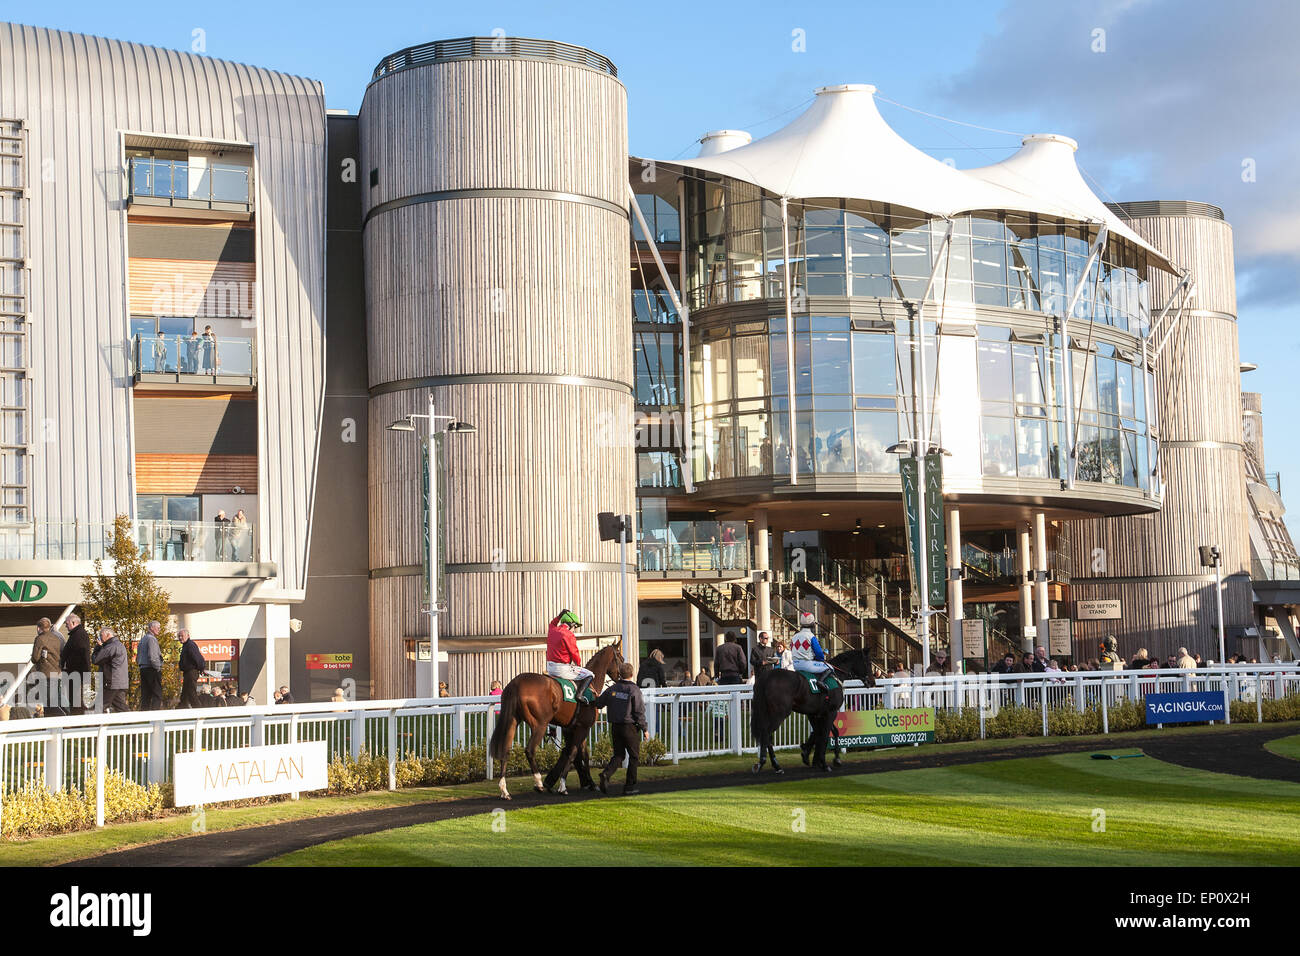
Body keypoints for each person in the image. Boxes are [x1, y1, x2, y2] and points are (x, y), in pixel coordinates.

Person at [594, 661, 648, 796]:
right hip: (629, 727)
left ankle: (606, 774)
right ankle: (630, 786)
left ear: (620, 674)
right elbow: (639, 712)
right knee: (634, 756)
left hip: (615, 726)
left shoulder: (612, 688)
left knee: (619, 755)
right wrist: (644, 729)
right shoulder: (634, 690)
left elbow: (599, 703)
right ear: (632, 674)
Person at [545, 609, 594, 701]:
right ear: (572, 624)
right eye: (575, 627)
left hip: (550, 668)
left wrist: (559, 616)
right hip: (562, 669)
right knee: (590, 674)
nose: (574, 630)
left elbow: (552, 623)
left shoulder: (552, 630)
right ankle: (579, 695)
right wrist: (578, 665)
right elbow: (574, 652)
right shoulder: (568, 634)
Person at [60, 613, 93, 715]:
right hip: (76, 674)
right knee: (76, 700)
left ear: (73, 623)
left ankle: (77, 723)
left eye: (67, 623)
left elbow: (81, 656)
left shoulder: (78, 636)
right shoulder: (77, 635)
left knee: (76, 701)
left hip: (76, 674)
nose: (65, 626)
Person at [30, 617, 63, 715]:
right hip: (56, 673)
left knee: (48, 703)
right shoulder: (56, 638)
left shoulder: (40, 639)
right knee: (54, 700)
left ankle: (53, 722)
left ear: (38, 628)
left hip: (45, 674)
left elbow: (35, 658)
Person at [91, 627, 129, 713]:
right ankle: (133, 724)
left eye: (101, 635)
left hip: (112, 682)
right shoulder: (119, 645)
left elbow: (96, 659)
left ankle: (90, 724)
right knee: (122, 708)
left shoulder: (110, 647)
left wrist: (97, 647)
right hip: (120, 682)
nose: (99, 638)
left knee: (98, 707)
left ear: (108, 635)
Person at [790, 612, 833, 681]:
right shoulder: (811, 636)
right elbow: (819, 653)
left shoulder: (794, 636)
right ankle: (820, 682)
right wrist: (821, 659)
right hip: (806, 664)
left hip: (794, 664)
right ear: (812, 624)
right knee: (830, 668)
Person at [137, 620, 164, 711]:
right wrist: (158, 668)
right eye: (158, 627)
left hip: (143, 668)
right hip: (151, 669)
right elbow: (153, 656)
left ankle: (144, 715)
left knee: (146, 695)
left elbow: (138, 656)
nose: (159, 630)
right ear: (152, 628)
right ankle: (154, 716)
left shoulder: (143, 639)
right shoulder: (151, 639)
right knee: (157, 694)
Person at [178, 629, 206, 708]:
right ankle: (181, 708)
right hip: (188, 672)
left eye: (182, 636)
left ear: (188, 636)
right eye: (179, 636)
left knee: (191, 693)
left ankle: (198, 711)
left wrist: (202, 668)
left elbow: (198, 658)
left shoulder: (190, 645)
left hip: (191, 672)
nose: (180, 638)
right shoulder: (186, 645)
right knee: (185, 694)